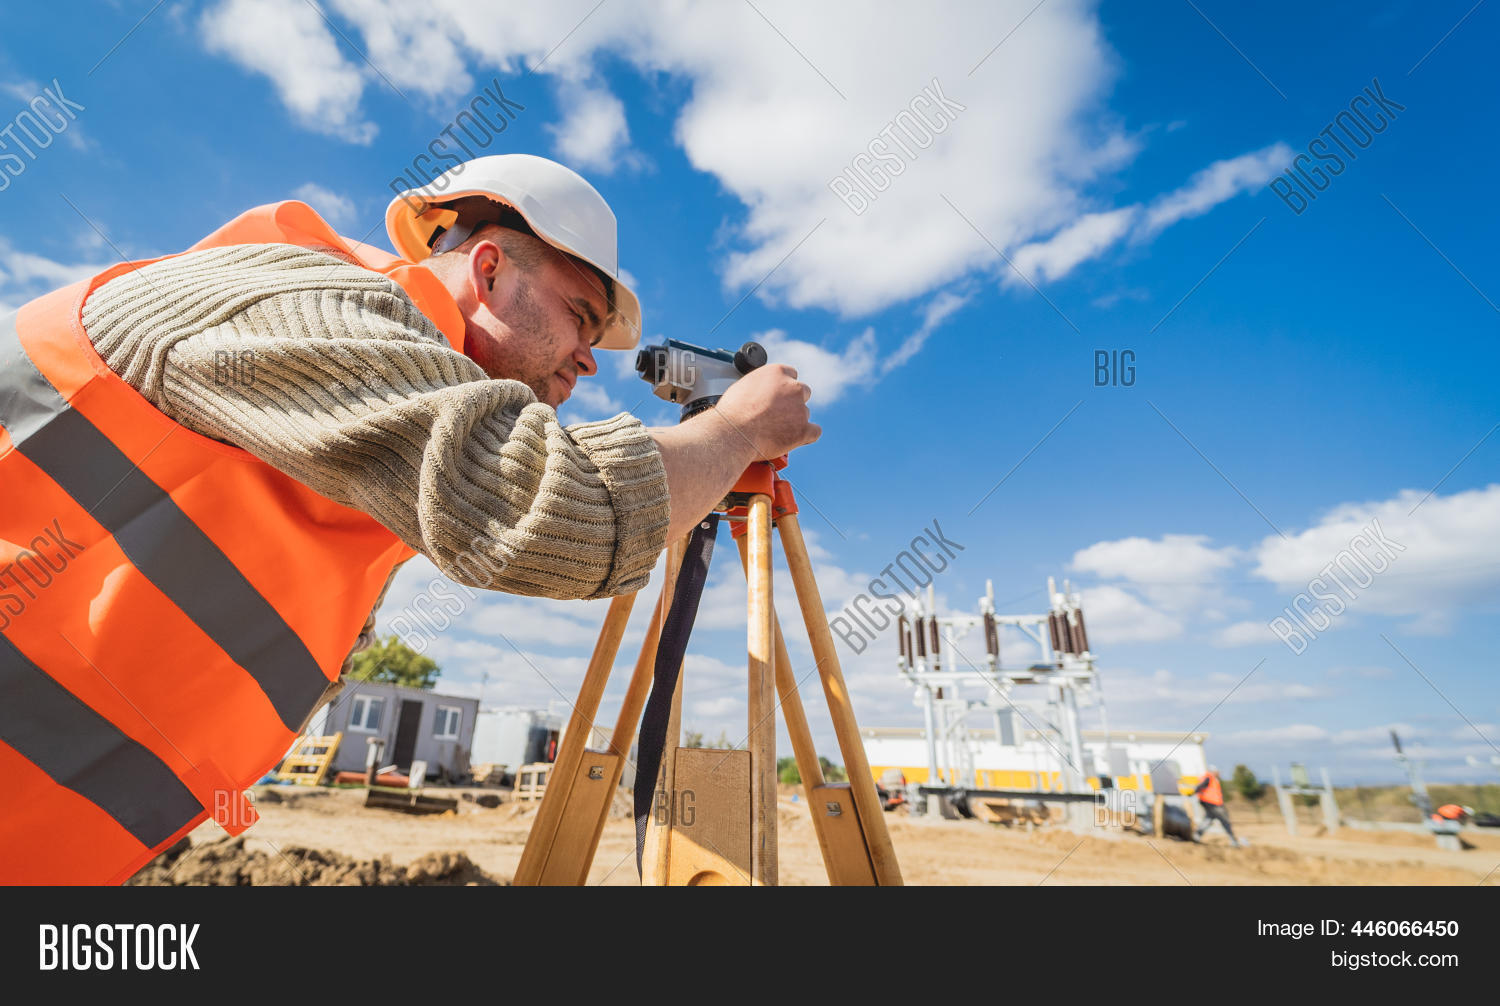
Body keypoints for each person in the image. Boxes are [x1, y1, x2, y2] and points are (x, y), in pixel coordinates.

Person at [0, 154, 818, 883]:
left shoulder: (365, 433)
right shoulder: (305, 299)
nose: (586, 358)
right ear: (490, 269)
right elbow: (548, 510)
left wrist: (707, 457)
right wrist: (737, 427)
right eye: (580, 315)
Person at [1192, 765, 1241, 847]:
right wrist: (1195, 791)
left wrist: (1194, 792)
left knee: (1208, 819)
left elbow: (1200, 787)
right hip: (1213, 803)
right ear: (1213, 771)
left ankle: (1196, 836)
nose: (1219, 773)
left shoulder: (1207, 777)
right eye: (1217, 771)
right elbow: (1201, 786)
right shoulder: (1209, 777)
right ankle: (1233, 840)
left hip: (1209, 803)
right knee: (1224, 820)